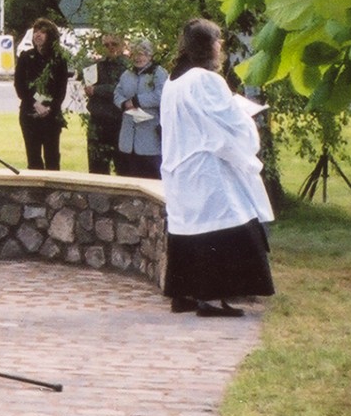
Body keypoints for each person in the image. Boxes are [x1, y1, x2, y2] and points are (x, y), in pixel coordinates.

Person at [158, 18, 274, 318]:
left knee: (188, 230)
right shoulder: (205, 79)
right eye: (217, 40)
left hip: (180, 167)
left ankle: (183, 293)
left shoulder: (173, 80)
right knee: (221, 227)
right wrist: (247, 119)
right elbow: (228, 120)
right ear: (207, 46)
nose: (221, 45)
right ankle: (211, 298)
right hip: (206, 166)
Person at [13, 18, 69, 170]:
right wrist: (35, 103)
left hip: (51, 116)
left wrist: (49, 107)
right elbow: (20, 85)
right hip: (29, 114)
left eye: (43, 32)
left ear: (50, 36)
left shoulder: (59, 59)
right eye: (36, 31)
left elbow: (61, 89)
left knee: (52, 158)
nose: (38, 35)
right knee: (33, 159)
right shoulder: (26, 57)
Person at [113, 39, 167, 179]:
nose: (137, 58)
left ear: (149, 56)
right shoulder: (126, 74)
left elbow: (162, 95)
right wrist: (124, 104)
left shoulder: (158, 73)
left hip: (150, 138)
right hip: (128, 138)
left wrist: (137, 101)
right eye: (134, 54)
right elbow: (117, 93)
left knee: (149, 179)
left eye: (141, 54)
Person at [81, 33, 128, 175]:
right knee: (97, 170)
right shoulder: (95, 66)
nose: (110, 47)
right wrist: (93, 90)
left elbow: (120, 90)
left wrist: (97, 90)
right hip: (98, 122)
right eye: (106, 45)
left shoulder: (127, 67)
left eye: (114, 44)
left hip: (118, 123)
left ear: (122, 45)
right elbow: (88, 88)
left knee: (123, 170)